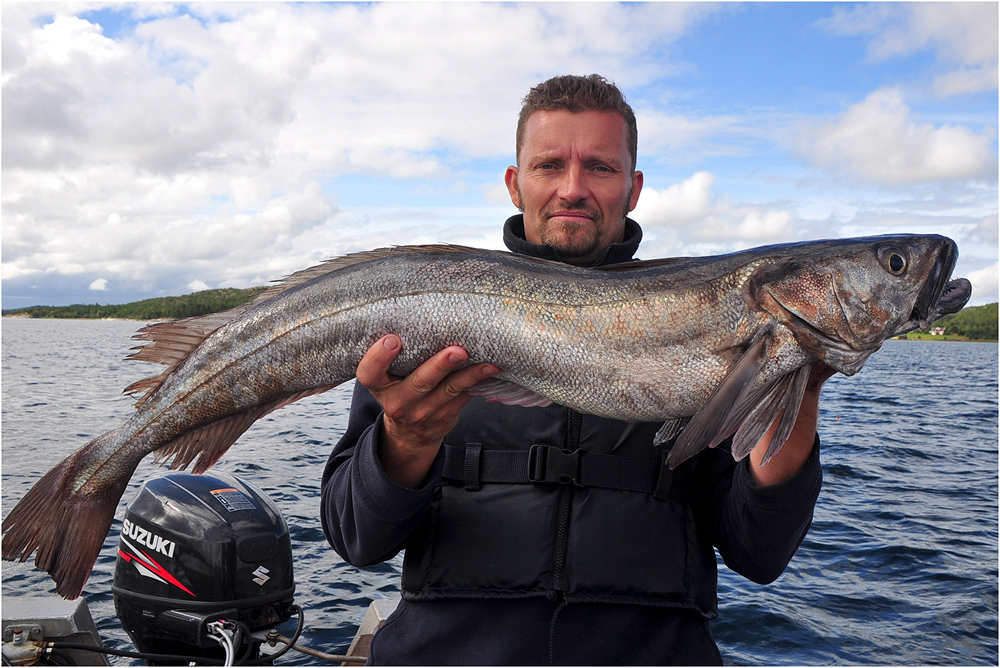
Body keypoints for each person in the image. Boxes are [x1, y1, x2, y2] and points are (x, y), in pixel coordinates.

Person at [321, 74, 831, 665]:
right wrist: (404, 441)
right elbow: (355, 537)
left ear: (633, 188)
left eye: (600, 167)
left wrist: (797, 396)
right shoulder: (428, 315)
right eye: (548, 166)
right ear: (515, 184)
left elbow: (759, 555)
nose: (572, 188)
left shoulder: (725, 332)